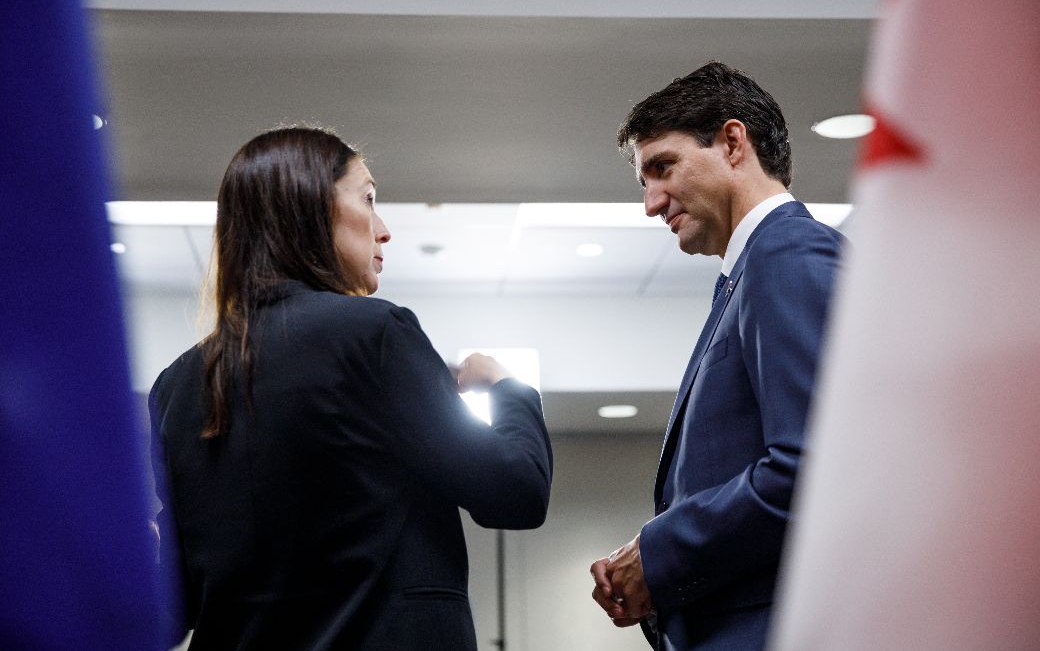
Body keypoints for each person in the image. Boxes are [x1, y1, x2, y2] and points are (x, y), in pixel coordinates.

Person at [149, 127, 553, 650]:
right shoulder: (375, 334)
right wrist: (509, 389)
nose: (383, 230)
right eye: (368, 199)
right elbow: (515, 493)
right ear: (309, 210)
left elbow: (173, 604)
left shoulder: (177, 384)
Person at [589, 62, 844, 650]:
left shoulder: (787, 255)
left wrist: (658, 554)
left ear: (733, 142)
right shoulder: (752, 273)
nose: (652, 203)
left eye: (663, 167)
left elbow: (812, 468)